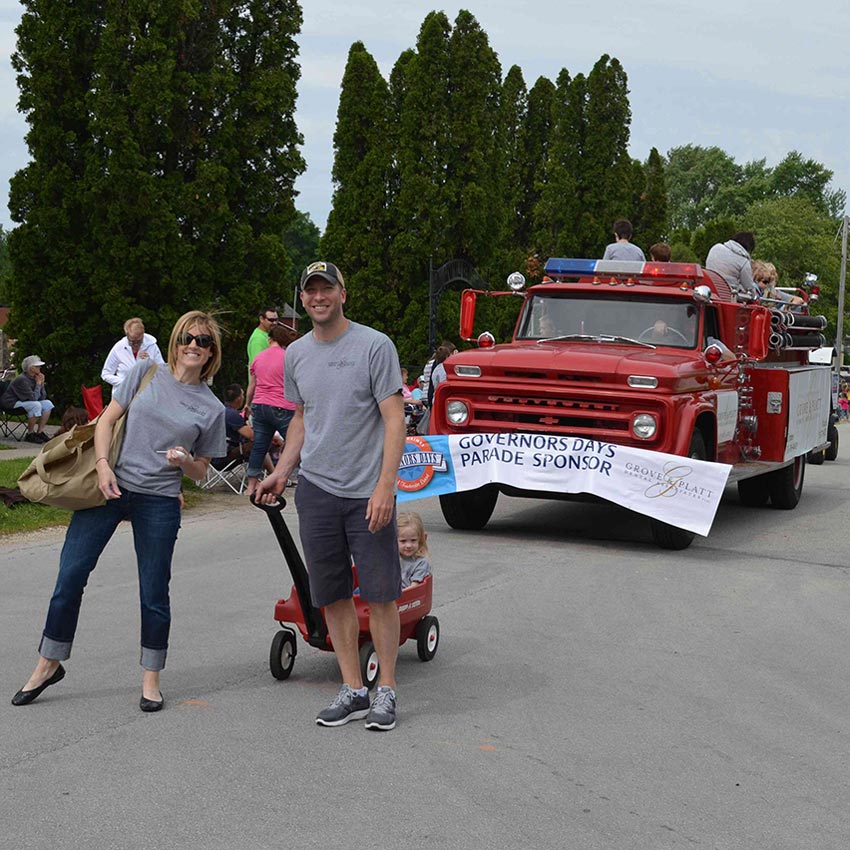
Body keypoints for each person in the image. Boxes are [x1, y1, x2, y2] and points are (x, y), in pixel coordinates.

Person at [11, 311, 226, 712]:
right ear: (176, 342)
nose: (194, 346)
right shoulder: (145, 372)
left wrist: (185, 463)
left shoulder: (211, 408)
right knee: (70, 575)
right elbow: (108, 419)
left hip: (159, 500)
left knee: (154, 591)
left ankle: (151, 678)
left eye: (204, 342)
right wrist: (104, 464)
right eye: (188, 338)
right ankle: (48, 663)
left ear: (212, 353)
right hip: (109, 487)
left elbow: (203, 472)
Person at [255, 260, 406, 731]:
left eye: (327, 289)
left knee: (380, 594)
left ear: (343, 293)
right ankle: (353, 689)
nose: (319, 297)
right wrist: (282, 471)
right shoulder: (296, 354)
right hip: (317, 491)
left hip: (367, 490)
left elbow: (395, 419)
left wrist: (385, 487)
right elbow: (302, 418)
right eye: (310, 291)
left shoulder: (374, 345)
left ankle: (387, 693)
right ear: (302, 300)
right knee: (333, 594)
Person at [244, 323, 298, 496]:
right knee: (294, 443)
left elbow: (252, 385)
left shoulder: (258, 358)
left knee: (259, 446)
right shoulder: (288, 357)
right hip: (283, 406)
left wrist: (247, 404)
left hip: (259, 405)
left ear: (270, 339)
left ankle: (251, 486)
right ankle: (285, 476)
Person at [1, 354, 55, 443]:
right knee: (35, 405)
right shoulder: (22, 379)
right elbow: (33, 399)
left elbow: (42, 397)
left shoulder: (35, 378)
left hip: (24, 401)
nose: (40, 368)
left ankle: (39, 432)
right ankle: (30, 434)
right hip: (11, 403)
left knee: (47, 403)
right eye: (38, 367)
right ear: (31, 368)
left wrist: (41, 384)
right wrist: (38, 384)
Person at [101, 318, 166, 387]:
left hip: (147, 392)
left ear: (143, 334)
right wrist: (125, 383)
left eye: (139, 341)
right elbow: (106, 374)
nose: (135, 344)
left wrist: (150, 362)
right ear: (127, 334)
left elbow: (162, 369)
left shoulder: (152, 345)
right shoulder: (118, 347)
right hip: (123, 394)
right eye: (131, 341)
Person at [705, 231, 758, 296]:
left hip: (708, 289)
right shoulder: (744, 261)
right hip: (727, 295)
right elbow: (749, 287)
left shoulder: (715, 247)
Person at [396, 511, 432, 589]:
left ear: (420, 540)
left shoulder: (421, 562)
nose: (409, 545)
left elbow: (414, 587)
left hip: (408, 598)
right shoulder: (392, 557)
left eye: (413, 540)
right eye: (403, 541)